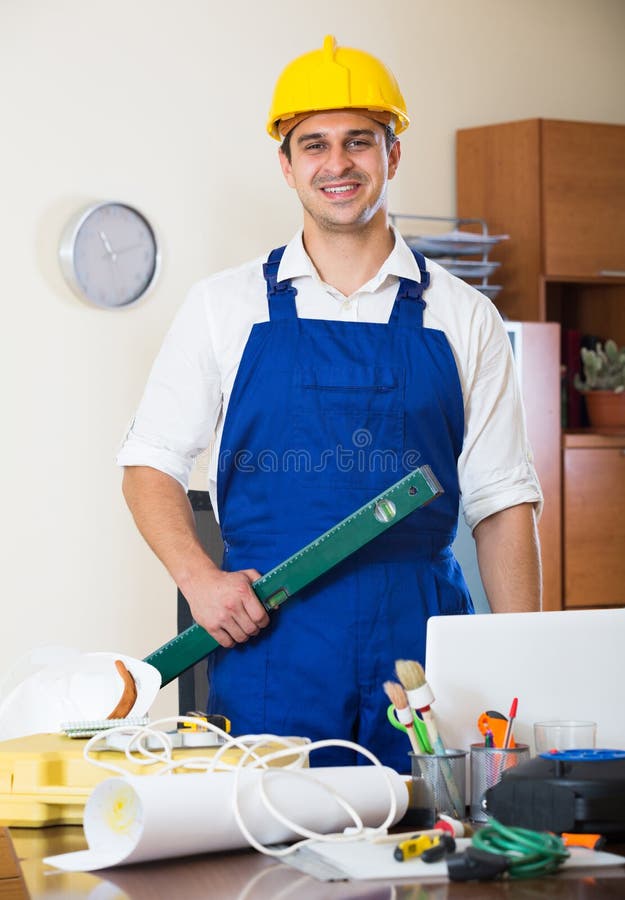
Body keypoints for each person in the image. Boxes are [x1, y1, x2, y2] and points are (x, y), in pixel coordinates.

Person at [118, 35, 542, 770]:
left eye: (358, 142)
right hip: (272, 644)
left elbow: (502, 502)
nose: (336, 164)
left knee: (432, 859)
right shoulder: (224, 306)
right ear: (286, 165)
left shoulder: (463, 316)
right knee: (271, 861)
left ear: (392, 154)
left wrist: (522, 673)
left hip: (424, 651)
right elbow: (148, 463)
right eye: (312, 144)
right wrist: (198, 579)